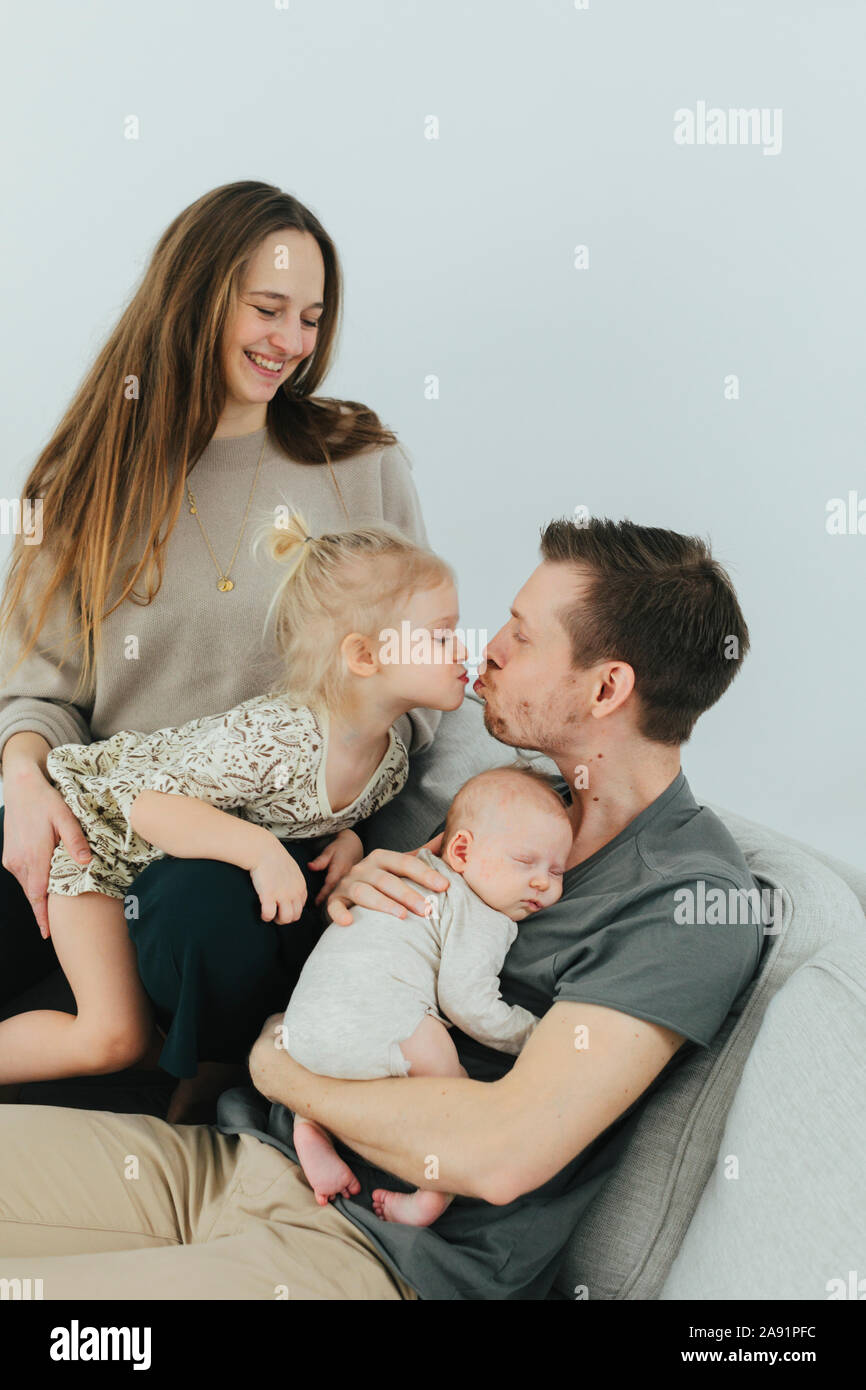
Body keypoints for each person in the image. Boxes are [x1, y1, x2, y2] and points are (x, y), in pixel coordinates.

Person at [0, 517, 768, 1300]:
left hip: (361, 1252)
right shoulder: (513, 803)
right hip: (231, 1157)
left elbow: (502, 1154)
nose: (489, 646)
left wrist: (278, 1065)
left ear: (608, 688)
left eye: (522, 635)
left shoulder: (685, 902)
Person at [0, 180, 441, 1117]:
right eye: (268, 308)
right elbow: (36, 692)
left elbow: (417, 676)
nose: (290, 341)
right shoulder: (82, 476)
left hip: (260, 862)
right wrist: (27, 786)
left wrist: (365, 826)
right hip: (109, 821)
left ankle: (178, 1080)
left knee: (195, 908)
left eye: (312, 319)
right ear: (197, 296)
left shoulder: (359, 462)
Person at [0, 513, 466, 1089]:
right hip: (96, 834)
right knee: (111, 1038)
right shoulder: (280, 737)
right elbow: (146, 807)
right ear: (365, 657)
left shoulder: (390, 759)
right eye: (442, 635)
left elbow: (321, 813)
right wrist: (261, 851)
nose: (462, 648)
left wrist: (345, 840)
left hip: (158, 864)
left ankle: (195, 1079)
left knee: (144, 1042)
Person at [282, 762, 574, 1225]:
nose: (544, 882)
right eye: (526, 862)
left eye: (557, 871)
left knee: (354, 1048)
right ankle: (430, 1196)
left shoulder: (411, 868)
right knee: (451, 1087)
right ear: (461, 850)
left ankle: (309, 1125)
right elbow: (468, 1002)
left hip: (300, 1032)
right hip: (374, 1023)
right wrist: (537, 1035)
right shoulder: (482, 912)